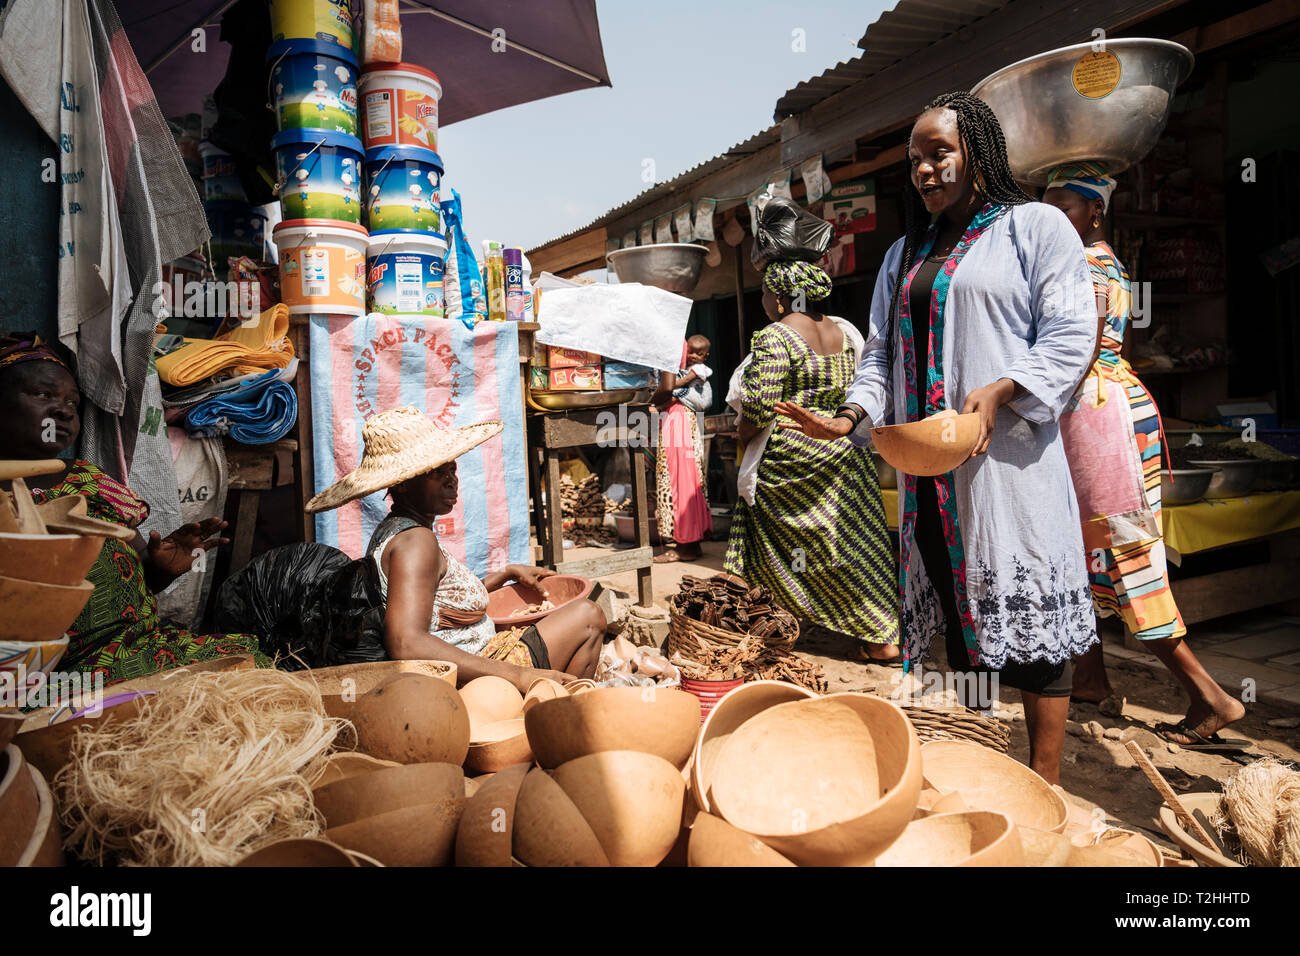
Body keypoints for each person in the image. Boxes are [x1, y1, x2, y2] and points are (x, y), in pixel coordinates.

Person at [778, 92, 1099, 784]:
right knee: (962, 619)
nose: (924, 169)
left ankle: (1047, 786)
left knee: (1037, 633)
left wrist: (1003, 390)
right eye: (916, 159)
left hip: (1007, 467)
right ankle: (983, 766)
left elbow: (1072, 331)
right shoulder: (902, 253)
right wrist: (851, 417)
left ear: (978, 152)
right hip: (929, 473)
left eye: (939, 152)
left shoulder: (1034, 228)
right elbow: (881, 354)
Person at [1044, 164, 1247, 748]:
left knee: (1126, 555)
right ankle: (1088, 677)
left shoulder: (1083, 267)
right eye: (1048, 207)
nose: (1054, 218)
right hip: (1108, 405)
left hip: (1097, 416)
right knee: (1080, 548)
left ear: (1095, 214)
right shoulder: (1107, 263)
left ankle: (1209, 696)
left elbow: (1075, 356)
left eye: (1066, 207)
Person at [0, 332, 265, 684]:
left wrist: (162, 570)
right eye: (44, 394)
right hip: (61, 674)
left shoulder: (86, 480)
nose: (63, 410)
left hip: (139, 647)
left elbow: (141, 571)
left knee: (250, 663)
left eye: (72, 401)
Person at [297, 407, 605, 692]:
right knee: (588, 616)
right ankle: (564, 715)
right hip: (466, 678)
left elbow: (430, 605)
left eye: (452, 469)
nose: (451, 481)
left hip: (471, 663)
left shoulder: (396, 531)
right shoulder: (416, 542)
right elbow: (407, 642)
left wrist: (503, 575)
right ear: (402, 484)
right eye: (436, 473)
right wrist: (519, 675)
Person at [724, 259, 900, 661]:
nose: (764, 300)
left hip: (789, 459)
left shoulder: (777, 335)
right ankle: (881, 638)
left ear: (783, 297)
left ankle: (770, 624)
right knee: (853, 546)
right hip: (842, 453)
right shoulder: (846, 332)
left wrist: (744, 431)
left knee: (765, 545)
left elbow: (759, 405)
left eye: (767, 292)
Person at [652, 338, 713, 563]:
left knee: (679, 480)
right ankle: (692, 541)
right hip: (683, 419)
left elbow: (666, 389)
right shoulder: (679, 344)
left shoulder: (672, 342)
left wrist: (656, 400)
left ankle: (685, 545)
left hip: (677, 419)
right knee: (689, 477)